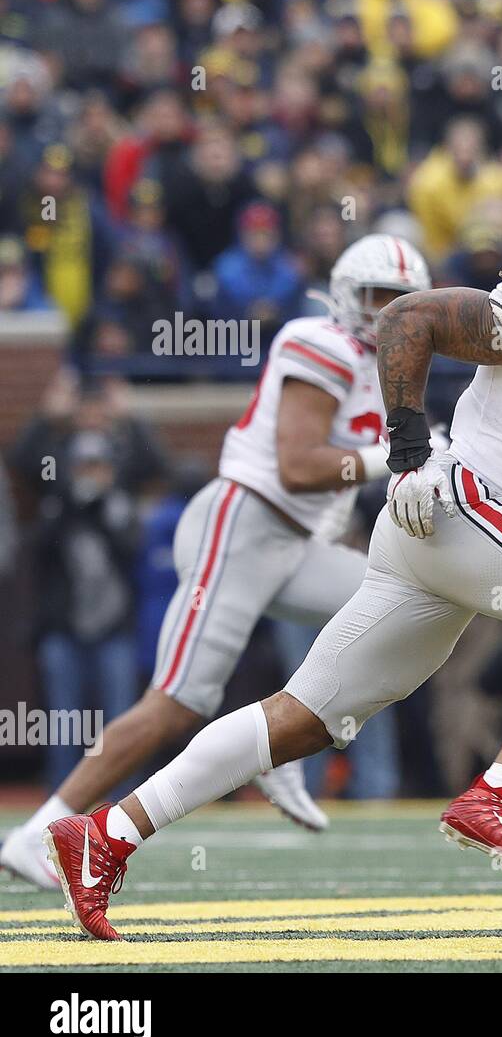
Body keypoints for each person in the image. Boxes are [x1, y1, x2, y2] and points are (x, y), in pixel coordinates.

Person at [43, 183, 502, 941]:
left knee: (304, 719)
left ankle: (105, 835)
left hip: (474, 536)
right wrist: (408, 454)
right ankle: (500, 789)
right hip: (462, 501)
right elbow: (409, 318)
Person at [0, 234, 428, 890]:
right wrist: (401, 458)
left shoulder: (388, 369)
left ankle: (283, 733)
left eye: (400, 300)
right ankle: (41, 826)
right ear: (344, 292)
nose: (385, 311)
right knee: (177, 701)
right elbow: (297, 464)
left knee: (401, 607)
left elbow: (340, 488)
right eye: (375, 296)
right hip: (243, 525)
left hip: (292, 544)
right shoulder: (319, 342)